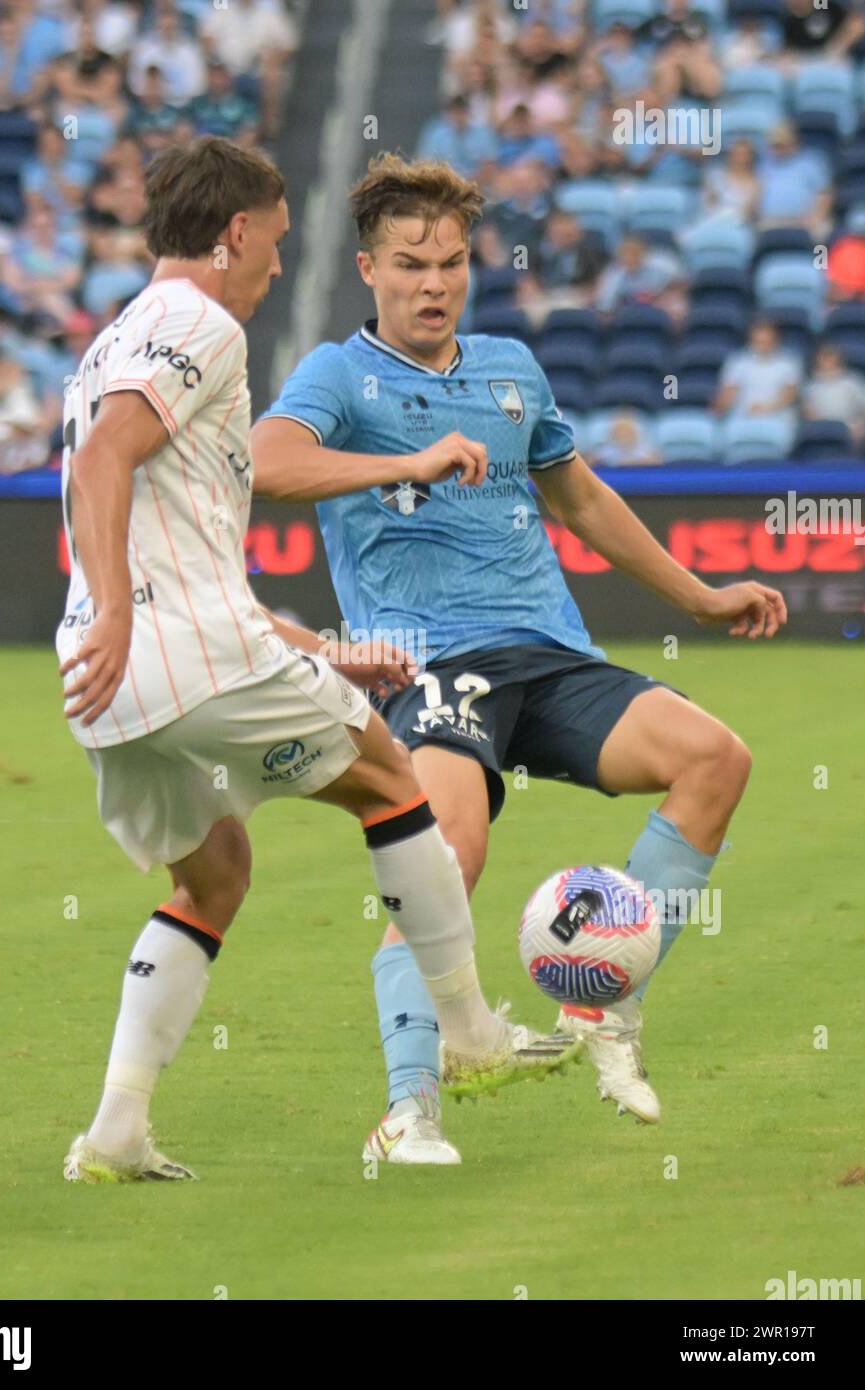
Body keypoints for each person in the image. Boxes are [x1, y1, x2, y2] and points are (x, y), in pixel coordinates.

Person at [251, 153, 787, 1163]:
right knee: (444, 853)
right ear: (368, 268)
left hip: (547, 652)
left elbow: (578, 497)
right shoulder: (339, 373)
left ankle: (602, 1012)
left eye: (451, 262)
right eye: (410, 263)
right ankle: (409, 1108)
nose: (434, 283)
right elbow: (267, 462)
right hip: (425, 664)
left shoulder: (508, 368)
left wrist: (700, 597)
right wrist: (405, 461)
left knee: (716, 758)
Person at [56, 137, 571, 1184]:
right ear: (235, 232)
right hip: (159, 648)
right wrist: (119, 610)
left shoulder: (111, 339)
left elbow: (177, 546)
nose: (281, 267)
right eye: (278, 244)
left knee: (214, 876)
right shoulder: (199, 321)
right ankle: (468, 1026)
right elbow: (109, 458)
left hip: (115, 682)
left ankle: (115, 1127)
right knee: (391, 779)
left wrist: (311, 647)